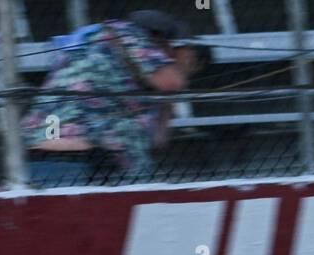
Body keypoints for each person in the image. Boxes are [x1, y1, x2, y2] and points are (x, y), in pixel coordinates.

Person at [23, 10, 204, 187]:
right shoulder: (131, 36)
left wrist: (165, 97)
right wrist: (181, 66)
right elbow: (172, 82)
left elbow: (158, 139)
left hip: (41, 147)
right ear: (158, 38)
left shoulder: (91, 40)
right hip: (86, 157)